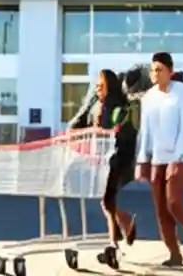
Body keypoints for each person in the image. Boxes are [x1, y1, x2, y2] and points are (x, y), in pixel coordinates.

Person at [135, 52, 183, 268]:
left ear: (170, 71)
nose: (155, 74)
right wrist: (143, 159)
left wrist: (178, 158)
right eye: (152, 70)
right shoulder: (149, 97)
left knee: (174, 203)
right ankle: (174, 255)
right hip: (156, 160)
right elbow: (146, 130)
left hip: (180, 157)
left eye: (159, 70)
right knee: (161, 210)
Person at [68, 68, 139, 248]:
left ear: (110, 87)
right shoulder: (97, 105)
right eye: (97, 86)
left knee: (107, 199)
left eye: (101, 86)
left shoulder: (116, 107)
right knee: (107, 200)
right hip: (103, 159)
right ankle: (118, 232)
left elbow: (112, 129)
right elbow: (82, 124)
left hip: (117, 158)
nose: (98, 89)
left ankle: (117, 235)